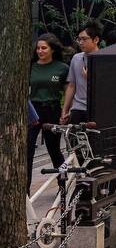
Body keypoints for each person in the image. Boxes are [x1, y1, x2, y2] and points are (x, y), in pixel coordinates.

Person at [28, 33, 68, 188]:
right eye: (38, 48)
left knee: (54, 150)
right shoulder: (31, 66)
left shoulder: (62, 68)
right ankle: (25, 192)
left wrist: (65, 111)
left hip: (52, 109)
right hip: (33, 110)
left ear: (52, 49)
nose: (40, 51)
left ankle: (62, 185)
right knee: (28, 150)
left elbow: (67, 91)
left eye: (44, 48)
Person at [61, 22, 102, 124]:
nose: (81, 42)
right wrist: (65, 110)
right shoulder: (76, 58)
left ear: (96, 40)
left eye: (84, 39)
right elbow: (71, 85)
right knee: (75, 138)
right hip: (78, 108)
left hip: (97, 108)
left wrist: (90, 78)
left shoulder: (104, 59)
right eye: (79, 39)